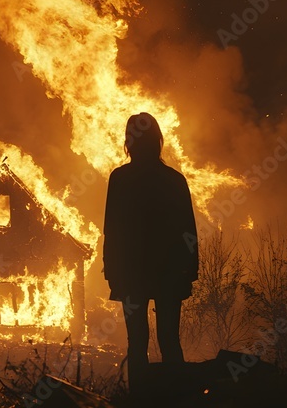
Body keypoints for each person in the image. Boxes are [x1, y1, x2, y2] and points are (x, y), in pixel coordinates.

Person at [102, 112, 199, 399]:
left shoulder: (120, 179)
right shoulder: (174, 180)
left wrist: (112, 271)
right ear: (158, 141)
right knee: (170, 339)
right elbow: (188, 230)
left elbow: (113, 229)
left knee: (137, 342)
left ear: (129, 142)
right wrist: (189, 270)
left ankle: (140, 399)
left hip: (132, 274)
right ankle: (177, 399)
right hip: (169, 273)